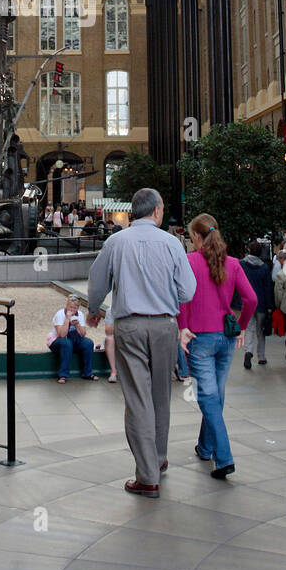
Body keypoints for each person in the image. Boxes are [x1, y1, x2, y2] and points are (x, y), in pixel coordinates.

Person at [87, 187, 196, 498]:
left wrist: (94, 311)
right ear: (158, 211)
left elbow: (97, 282)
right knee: (161, 395)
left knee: (137, 398)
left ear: (133, 212)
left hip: (130, 326)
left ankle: (147, 475)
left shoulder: (116, 241)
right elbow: (188, 290)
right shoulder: (172, 243)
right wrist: (164, 299)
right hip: (165, 325)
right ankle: (158, 460)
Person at [179, 213, 257, 481]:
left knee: (209, 398)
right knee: (217, 396)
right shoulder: (233, 264)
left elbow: (182, 298)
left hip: (200, 338)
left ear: (197, 237)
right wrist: (242, 325)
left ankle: (223, 458)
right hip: (225, 337)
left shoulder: (189, 262)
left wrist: (183, 326)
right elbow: (252, 299)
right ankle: (205, 446)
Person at [48, 296, 98, 383]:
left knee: (88, 343)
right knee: (67, 343)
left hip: (74, 340)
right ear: (66, 306)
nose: (72, 309)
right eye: (70, 307)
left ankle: (87, 372)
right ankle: (63, 375)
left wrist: (77, 324)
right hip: (58, 340)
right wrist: (67, 319)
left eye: (74, 308)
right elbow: (61, 334)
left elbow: (83, 334)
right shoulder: (60, 314)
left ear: (78, 308)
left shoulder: (80, 315)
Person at [241, 241, 274, 369]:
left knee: (249, 328)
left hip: (248, 302)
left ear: (249, 251)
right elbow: (268, 287)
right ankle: (261, 356)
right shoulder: (264, 267)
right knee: (261, 330)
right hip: (261, 303)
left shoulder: (242, 264)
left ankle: (248, 352)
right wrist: (270, 306)